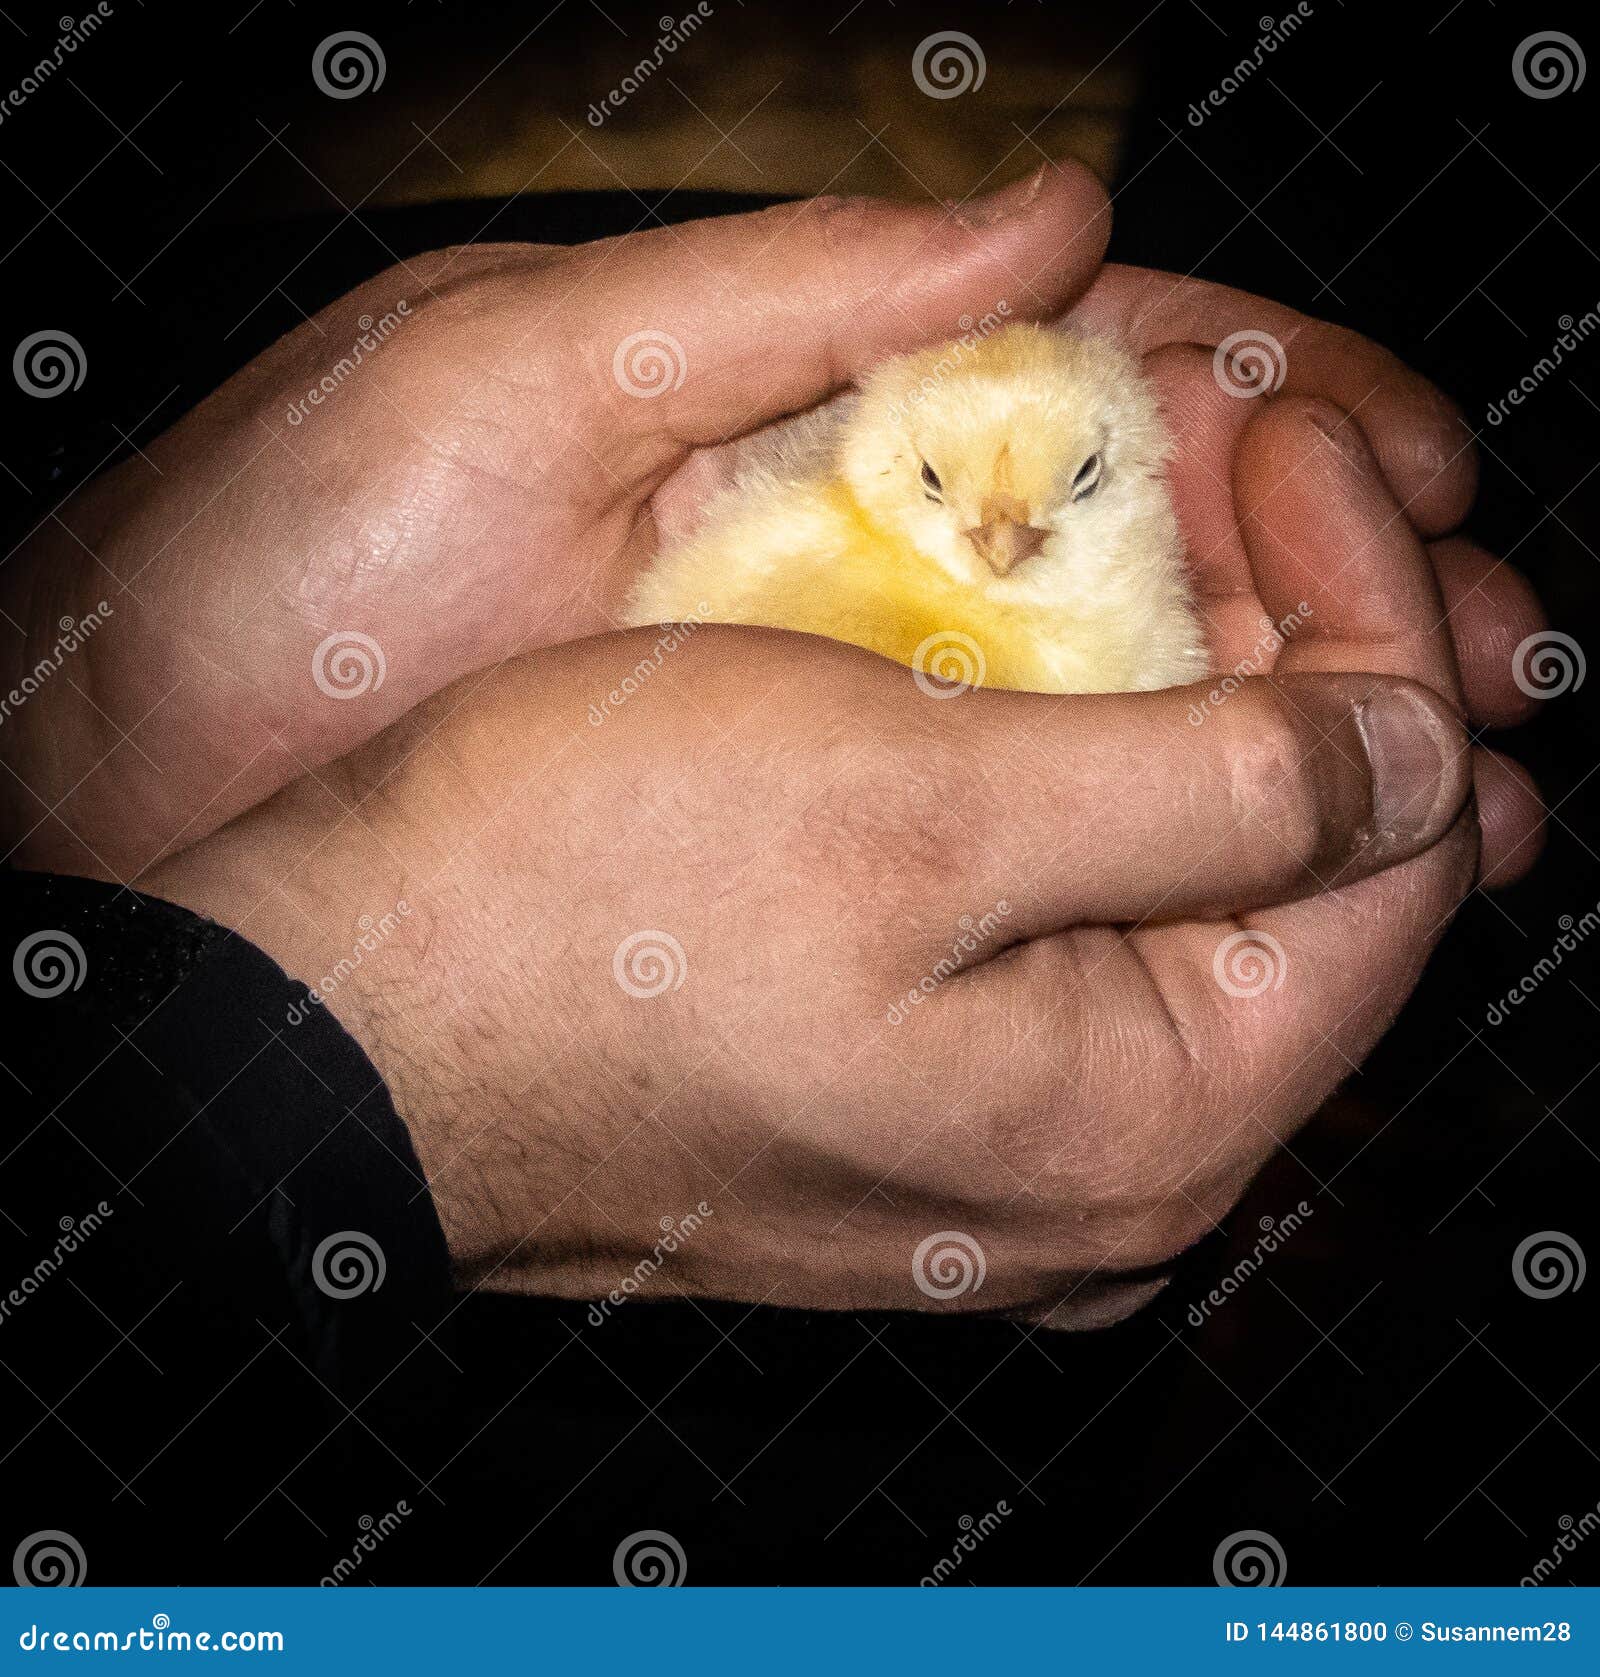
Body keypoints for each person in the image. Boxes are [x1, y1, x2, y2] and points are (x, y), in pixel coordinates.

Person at [0, 161, 1547, 1581]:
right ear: (892, 464)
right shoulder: (835, 561)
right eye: (950, 493)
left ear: (1130, 467)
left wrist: (51, 710)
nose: (997, 540)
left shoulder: (1066, 588)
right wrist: (407, 1039)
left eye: (1061, 491)